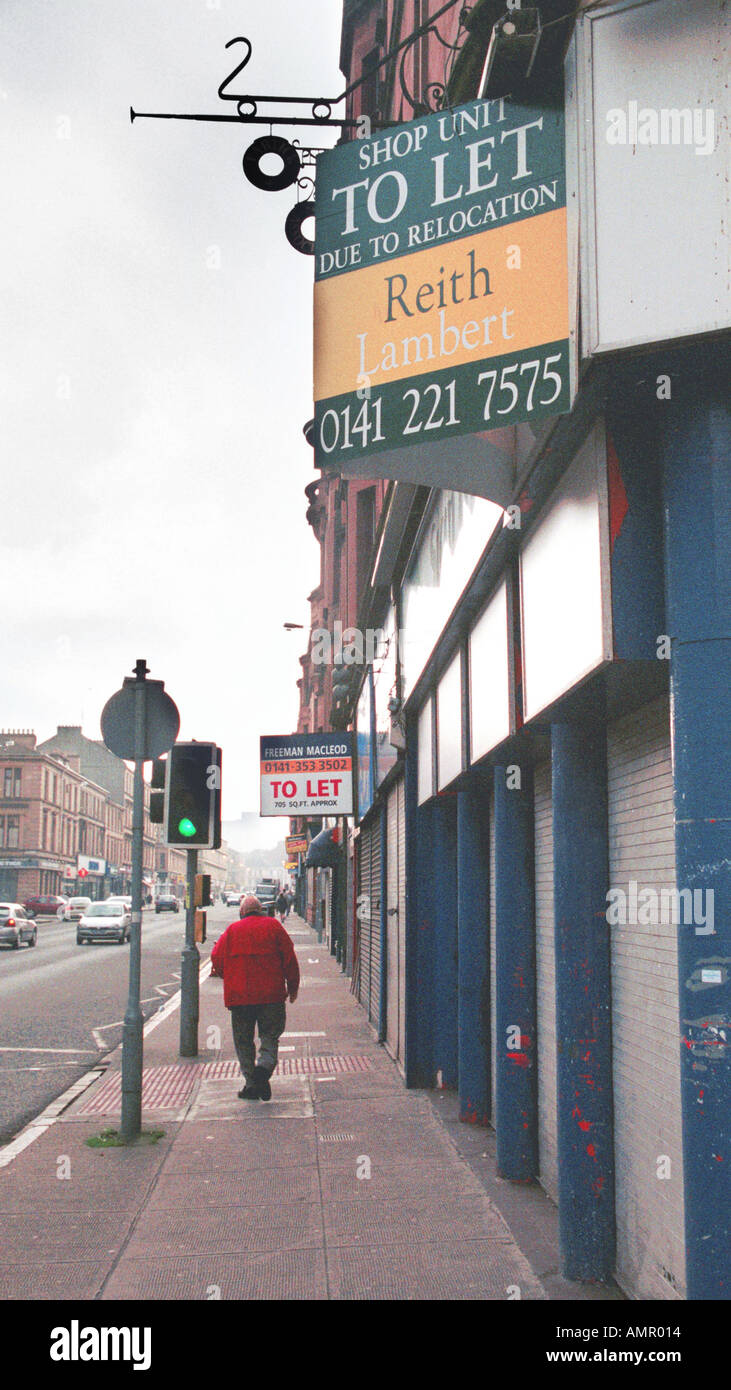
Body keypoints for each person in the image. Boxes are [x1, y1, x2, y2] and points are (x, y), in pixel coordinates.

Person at [210, 893, 300, 1101]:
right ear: (260, 909)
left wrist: (229, 976)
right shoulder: (274, 927)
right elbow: (289, 959)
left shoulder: (232, 931)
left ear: (241, 912)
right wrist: (293, 987)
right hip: (271, 996)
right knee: (270, 1036)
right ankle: (264, 1069)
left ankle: (251, 1083)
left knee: (243, 1041)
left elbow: (216, 957)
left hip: (240, 998)